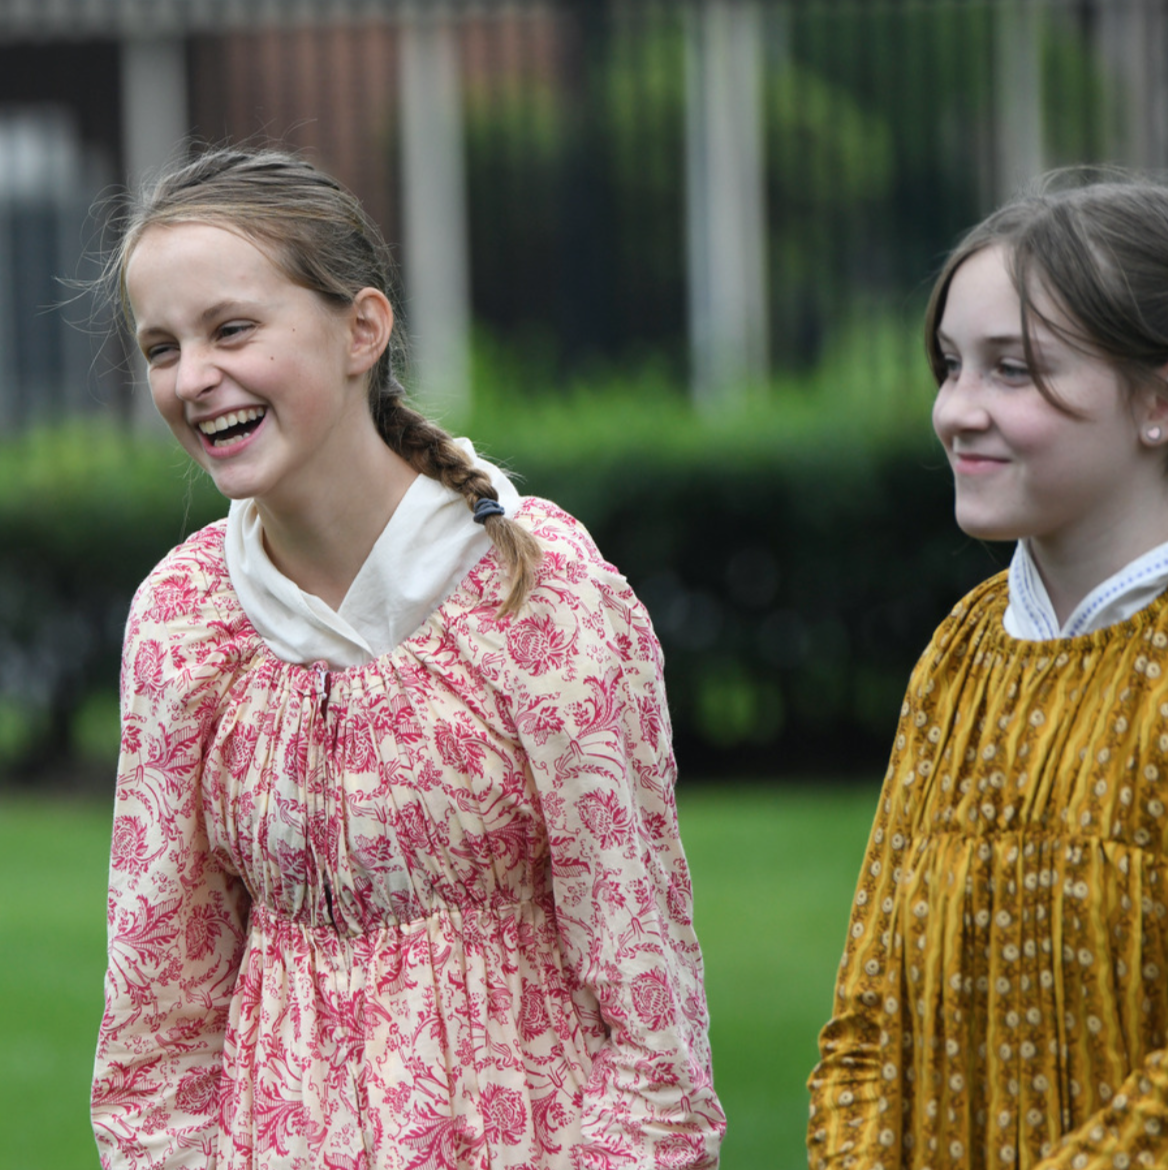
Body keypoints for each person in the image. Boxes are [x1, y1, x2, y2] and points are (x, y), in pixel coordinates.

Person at [90, 146, 724, 1170]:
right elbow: (155, 1022)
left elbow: (648, 1013)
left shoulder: (540, 591)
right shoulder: (182, 618)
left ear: (362, 329)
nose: (193, 377)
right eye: (161, 347)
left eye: (232, 329)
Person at [807, 173, 1168, 1170]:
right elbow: (865, 1012)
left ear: (1156, 403)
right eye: (950, 365)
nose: (958, 409)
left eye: (1013, 371)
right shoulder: (960, 654)